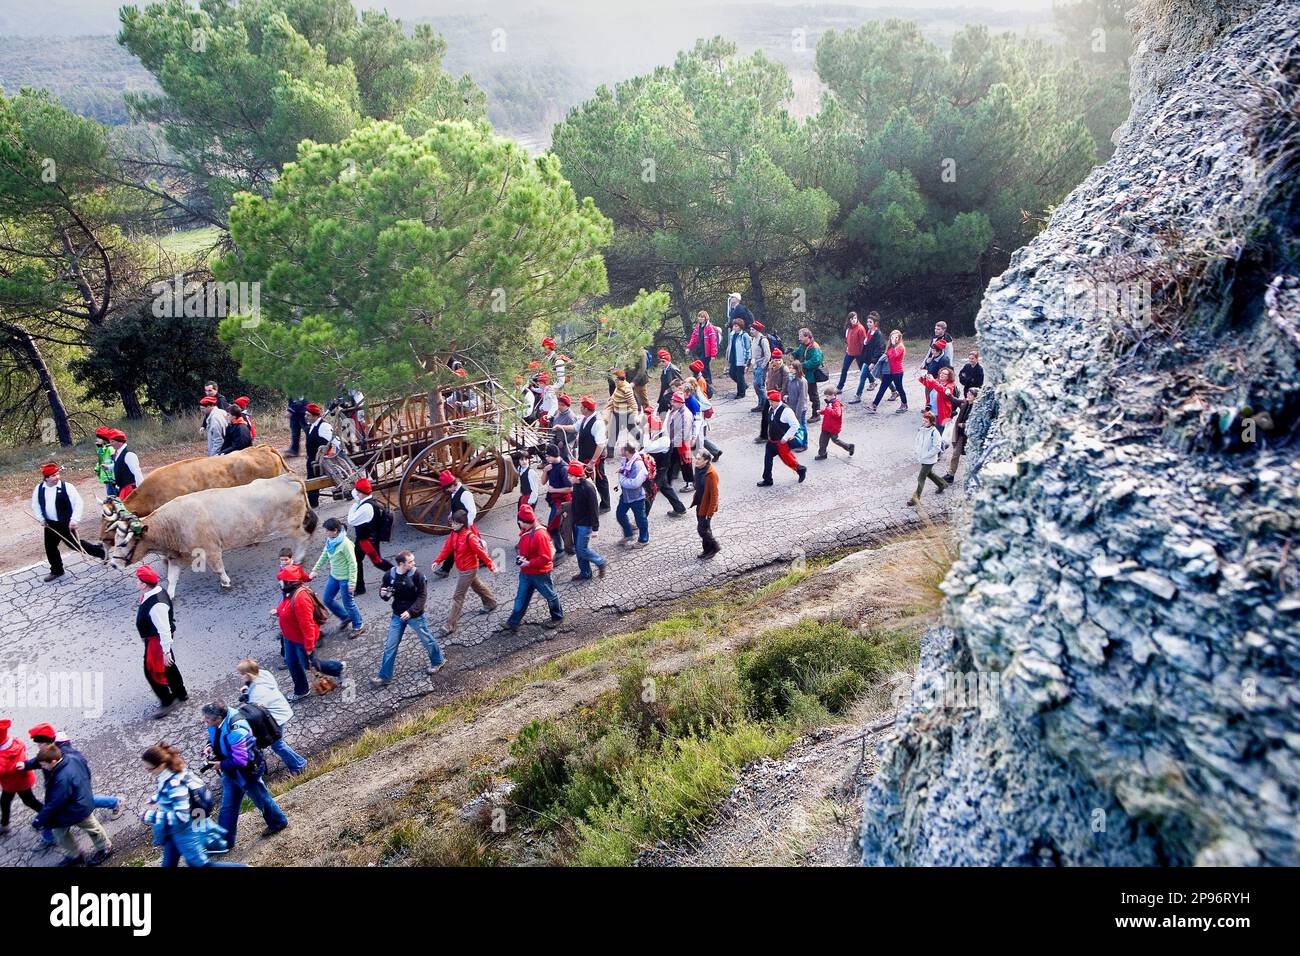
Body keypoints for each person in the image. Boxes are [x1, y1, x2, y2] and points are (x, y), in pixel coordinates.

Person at [140, 743, 243, 867]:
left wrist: (150, 816)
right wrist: (155, 798)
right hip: (177, 829)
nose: (147, 772)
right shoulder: (173, 770)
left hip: (185, 830)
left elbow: (181, 816)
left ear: (161, 764)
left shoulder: (173, 783)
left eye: (149, 769)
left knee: (198, 864)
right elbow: (174, 793)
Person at [202, 701, 287, 848]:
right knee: (229, 805)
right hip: (232, 771)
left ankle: (278, 822)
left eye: (208, 719)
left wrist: (220, 765)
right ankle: (225, 840)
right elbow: (215, 736)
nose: (204, 720)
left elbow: (241, 760)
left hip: (246, 772)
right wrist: (209, 745)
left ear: (219, 718)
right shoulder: (219, 722)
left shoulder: (237, 731)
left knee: (261, 799)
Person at [369, 551, 447, 685]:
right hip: (397, 615)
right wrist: (383, 594)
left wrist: (411, 612)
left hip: (415, 616)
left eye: (413, 561)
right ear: (401, 564)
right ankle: (384, 677)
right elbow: (386, 593)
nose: (414, 563)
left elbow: (422, 596)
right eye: (410, 562)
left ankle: (438, 661)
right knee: (390, 646)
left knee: (427, 640)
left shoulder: (418, 575)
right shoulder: (390, 575)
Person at [32, 743, 112, 866]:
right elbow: (86, 773)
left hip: (75, 808)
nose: (42, 767)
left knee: (88, 828)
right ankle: (77, 854)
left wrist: (39, 819)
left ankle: (103, 848)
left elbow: (55, 803)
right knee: (65, 832)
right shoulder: (72, 759)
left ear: (53, 761)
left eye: (43, 765)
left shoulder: (61, 778)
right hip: (79, 803)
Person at [276, 565, 345, 701]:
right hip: (289, 637)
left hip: (301, 640)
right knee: (291, 663)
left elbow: (307, 626)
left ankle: (338, 668)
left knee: (308, 664)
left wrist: (309, 647)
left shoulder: (300, 598)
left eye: (282, 580)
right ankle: (301, 690)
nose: (279, 583)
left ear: (289, 582)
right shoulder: (289, 593)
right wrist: (278, 611)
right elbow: (284, 608)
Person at [32, 462, 105, 582]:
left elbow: (78, 503)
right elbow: (36, 505)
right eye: (53, 476)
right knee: (50, 547)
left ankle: (101, 552)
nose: (57, 477)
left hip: (66, 523)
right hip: (50, 524)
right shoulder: (39, 488)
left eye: (57, 474)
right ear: (46, 478)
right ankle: (57, 570)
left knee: (76, 545)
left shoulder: (67, 487)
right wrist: (41, 519)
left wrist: (74, 519)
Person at [433, 510, 500, 635]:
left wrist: (492, 566)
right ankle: (490, 602)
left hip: (469, 569)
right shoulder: (453, 534)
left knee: (458, 597)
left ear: (461, 524)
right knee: (477, 586)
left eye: (454, 523)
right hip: (463, 568)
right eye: (451, 522)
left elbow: (482, 553)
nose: (451, 524)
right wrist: (438, 561)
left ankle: (450, 625)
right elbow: (447, 548)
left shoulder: (470, 537)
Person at [135, 564, 188, 718]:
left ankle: (167, 701)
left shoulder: (157, 605)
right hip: (156, 639)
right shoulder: (157, 591)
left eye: (138, 581)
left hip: (157, 642)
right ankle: (180, 693)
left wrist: (165, 651)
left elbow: (163, 629)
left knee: (151, 671)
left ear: (144, 585)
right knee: (169, 666)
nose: (136, 583)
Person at [236, 660, 306, 774]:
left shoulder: (257, 693)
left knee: (277, 745)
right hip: (281, 709)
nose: (240, 677)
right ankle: (298, 765)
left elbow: (255, 712)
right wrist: (247, 690)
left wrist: (247, 697)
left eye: (241, 674)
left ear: (248, 675)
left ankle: (298, 766)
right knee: (278, 744)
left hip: (276, 718)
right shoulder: (263, 674)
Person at [503, 505, 563, 632]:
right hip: (526, 572)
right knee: (521, 597)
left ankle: (557, 617)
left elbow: (545, 558)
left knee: (550, 595)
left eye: (519, 520)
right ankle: (513, 622)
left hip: (539, 574)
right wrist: (521, 558)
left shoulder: (540, 535)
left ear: (524, 522)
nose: (518, 522)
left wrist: (528, 563)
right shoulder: (528, 530)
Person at [310, 518, 364, 637]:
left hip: (345, 579)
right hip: (334, 576)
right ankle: (345, 617)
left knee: (348, 603)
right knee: (327, 599)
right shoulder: (330, 540)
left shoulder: (345, 544)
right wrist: (315, 570)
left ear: (335, 531)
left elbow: (353, 563)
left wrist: (352, 582)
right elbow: (324, 555)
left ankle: (358, 625)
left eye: (327, 531)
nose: (325, 533)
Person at [347, 477, 392, 597]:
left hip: (367, 541)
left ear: (361, 493)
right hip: (364, 539)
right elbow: (355, 494)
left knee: (378, 562)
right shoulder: (367, 500)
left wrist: (353, 506)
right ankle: (360, 587)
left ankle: (398, 573)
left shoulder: (365, 508)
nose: (355, 494)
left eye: (358, 492)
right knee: (356, 561)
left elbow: (351, 520)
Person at [433, 470, 481, 576]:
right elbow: (456, 505)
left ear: (452, 484)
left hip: (464, 524)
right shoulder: (454, 491)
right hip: (458, 524)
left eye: (448, 488)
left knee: (456, 545)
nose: (448, 491)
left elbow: (472, 511)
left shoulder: (465, 494)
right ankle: (446, 569)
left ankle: (446, 569)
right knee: (463, 544)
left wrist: (467, 525)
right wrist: (451, 513)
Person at [643, 405, 686, 517]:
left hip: (661, 468)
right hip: (658, 467)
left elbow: (647, 448)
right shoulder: (656, 432)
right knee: (665, 487)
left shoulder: (663, 439)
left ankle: (641, 518)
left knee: (651, 491)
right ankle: (679, 508)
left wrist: (646, 433)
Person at [758, 389, 806, 487]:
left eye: (772, 402)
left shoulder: (786, 411)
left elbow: (795, 425)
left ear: (777, 401)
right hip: (771, 441)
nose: (770, 403)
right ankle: (767, 479)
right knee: (767, 459)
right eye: (770, 401)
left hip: (781, 442)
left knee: (788, 460)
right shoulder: (771, 408)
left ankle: (800, 469)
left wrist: (785, 438)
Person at [0, 719, 40, 834]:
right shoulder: (14, 742)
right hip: (24, 779)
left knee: (29, 801)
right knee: (6, 801)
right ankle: (5, 824)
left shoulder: (2, 757)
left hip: (15, 784)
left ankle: (47, 815)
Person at [569, 461, 606, 580]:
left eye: (570, 476)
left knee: (582, 549)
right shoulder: (576, 485)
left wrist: (595, 528)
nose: (568, 477)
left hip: (585, 525)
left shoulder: (588, 488)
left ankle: (600, 562)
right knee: (579, 550)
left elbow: (594, 509)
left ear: (577, 477)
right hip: (577, 522)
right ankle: (585, 572)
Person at [575, 394, 610, 512]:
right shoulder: (584, 419)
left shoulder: (597, 423)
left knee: (600, 480)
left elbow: (600, 445)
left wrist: (592, 462)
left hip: (593, 458)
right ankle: (587, 503)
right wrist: (560, 427)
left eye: (581, 406)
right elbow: (574, 428)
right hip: (584, 456)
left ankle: (606, 504)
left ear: (586, 408)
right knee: (583, 480)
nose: (580, 408)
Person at [542, 442, 576, 558]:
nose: (546, 458)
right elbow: (543, 482)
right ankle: (567, 547)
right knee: (561, 527)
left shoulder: (563, 468)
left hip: (562, 503)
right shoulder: (550, 466)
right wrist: (545, 471)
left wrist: (553, 490)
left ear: (553, 455)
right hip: (554, 501)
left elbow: (570, 488)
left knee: (553, 526)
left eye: (547, 456)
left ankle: (561, 550)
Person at [615, 442, 650, 547]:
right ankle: (628, 533)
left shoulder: (637, 464)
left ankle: (644, 539)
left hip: (636, 497)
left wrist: (621, 478)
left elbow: (635, 483)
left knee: (640, 520)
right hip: (626, 495)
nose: (619, 451)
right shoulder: (627, 460)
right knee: (620, 514)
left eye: (621, 449)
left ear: (626, 451)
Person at [910, 409, 948, 505]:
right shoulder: (922, 429)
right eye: (923, 420)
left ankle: (916, 497)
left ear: (931, 422)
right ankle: (942, 484)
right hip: (922, 457)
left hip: (929, 459)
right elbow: (918, 441)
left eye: (926, 421)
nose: (924, 422)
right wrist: (918, 451)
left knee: (921, 477)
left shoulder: (934, 433)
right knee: (929, 474)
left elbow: (937, 448)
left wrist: (926, 455)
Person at [303, 402, 338, 508]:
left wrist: (339, 455)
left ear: (314, 416)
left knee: (313, 483)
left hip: (319, 461)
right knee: (311, 482)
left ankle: (313, 506)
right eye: (306, 414)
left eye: (308, 415)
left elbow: (335, 441)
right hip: (311, 459)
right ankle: (312, 504)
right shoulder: (313, 425)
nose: (306, 417)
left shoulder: (323, 427)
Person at [943, 386, 980, 484]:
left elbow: (976, 423)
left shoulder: (977, 408)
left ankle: (951, 474)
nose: (968, 395)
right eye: (968, 393)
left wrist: (964, 425)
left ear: (975, 397)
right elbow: (955, 401)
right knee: (957, 452)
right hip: (959, 432)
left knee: (956, 454)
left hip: (967, 436)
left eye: (971, 394)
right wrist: (948, 394)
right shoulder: (965, 402)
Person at [691, 450, 720, 559]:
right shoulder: (698, 468)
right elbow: (697, 482)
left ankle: (714, 547)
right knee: (705, 528)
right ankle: (707, 550)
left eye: (699, 459)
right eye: (696, 458)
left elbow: (714, 495)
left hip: (706, 506)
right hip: (700, 502)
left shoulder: (711, 474)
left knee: (702, 529)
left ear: (706, 460)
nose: (696, 460)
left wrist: (710, 513)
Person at [870, 330, 909, 413]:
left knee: (899, 388)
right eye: (892, 337)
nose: (893, 339)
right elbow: (887, 355)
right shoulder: (890, 347)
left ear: (899, 338)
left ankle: (904, 404)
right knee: (882, 388)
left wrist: (894, 345)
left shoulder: (900, 347)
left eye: (895, 337)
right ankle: (874, 405)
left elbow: (894, 356)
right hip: (888, 372)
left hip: (897, 372)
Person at [756, 348, 789, 443]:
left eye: (779, 359)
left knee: (778, 417)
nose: (777, 361)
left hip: (778, 397)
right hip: (770, 395)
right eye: (776, 359)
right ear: (772, 359)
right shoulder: (770, 366)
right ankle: (763, 435)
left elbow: (785, 385)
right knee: (765, 414)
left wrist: (780, 398)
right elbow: (768, 378)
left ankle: (783, 435)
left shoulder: (784, 369)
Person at [851, 312, 885, 403]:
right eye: (867, 322)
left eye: (870, 322)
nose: (868, 324)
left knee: (882, 377)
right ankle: (858, 396)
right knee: (863, 376)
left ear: (875, 323)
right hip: (867, 360)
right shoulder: (869, 332)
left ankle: (894, 391)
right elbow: (867, 347)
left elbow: (880, 349)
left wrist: (873, 362)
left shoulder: (878, 334)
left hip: (874, 361)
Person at [665, 390, 695, 492]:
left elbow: (684, 432)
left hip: (682, 443)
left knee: (686, 464)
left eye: (674, 401)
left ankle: (690, 483)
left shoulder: (685, 415)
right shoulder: (675, 411)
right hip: (675, 441)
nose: (672, 403)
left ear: (680, 403)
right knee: (670, 462)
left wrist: (672, 442)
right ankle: (667, 483)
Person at [794, 328, 825, 420]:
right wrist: (793, 353)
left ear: (807, 337)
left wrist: (801, 365)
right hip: (803, 374)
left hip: (811, 375)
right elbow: (799, 352)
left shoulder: (814, 347)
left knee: (813, 395)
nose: (799, 338)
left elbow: (816, 361)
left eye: (801, 336)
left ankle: (816, 414)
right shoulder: (803, 345)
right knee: (800, 394)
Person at [815, 387, 855, 460]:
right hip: (826, 426)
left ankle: (849, 447)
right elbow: (828, 411)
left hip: (833, 427)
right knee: (822, 441)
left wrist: (827, 410)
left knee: (835, 440)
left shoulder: (836, 404)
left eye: (827, 396)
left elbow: (837, 413)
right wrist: (822, 412)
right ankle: (822, 454)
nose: (826, 398)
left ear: (833, 395)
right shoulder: (830, 403)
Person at [686, 309, 720, 390]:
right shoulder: (698, 327)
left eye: (702, 317)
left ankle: (708, 385)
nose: (701, 319)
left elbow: (713, 342)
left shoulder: (709, 328)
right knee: (704, 368)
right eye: (699, 317)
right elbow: (693, 338)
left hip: (707, 352)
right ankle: (706, 384)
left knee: (704, 368)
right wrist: (689, 347)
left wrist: (713, 354)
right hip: (700, 350)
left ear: (706, 318)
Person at [606, 371, 639, 453]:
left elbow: (633, 403)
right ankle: (610, 452)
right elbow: (614, 395)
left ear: (620, 380)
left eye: (616, 380)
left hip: (626, 414)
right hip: (616, 413)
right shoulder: (618, 386)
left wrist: (635, 415)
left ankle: (643, 444)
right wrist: (610, 401)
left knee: (633, 431)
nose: (615, 382)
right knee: (613, 432)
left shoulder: (627, 388)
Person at [837, 312, 869, 392]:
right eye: (852, 319)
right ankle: (840, 387)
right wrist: (848, 347)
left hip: (859, 353)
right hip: (849, 352)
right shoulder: (848, 328)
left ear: (857, 318)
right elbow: (847, 340)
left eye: (855, 318)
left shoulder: (861, 328)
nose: (854, 320)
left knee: (863, 369)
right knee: (844, 369)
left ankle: (872, 381)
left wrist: (863, 353)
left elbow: (864, 342)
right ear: (849, 320)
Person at [108, 430, 143, 498]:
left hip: (130, 490)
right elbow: (120, 466)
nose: (111, 444)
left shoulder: (129, 455)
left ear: (120, 441)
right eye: (110, 441)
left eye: (112, 441)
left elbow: (137, 472)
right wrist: (108, 467)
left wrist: (141, 490)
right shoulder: (118, 453)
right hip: (123, 489)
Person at [725, 315, 752, 400]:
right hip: (733, 358)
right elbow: (730, 346)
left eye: (736, 326)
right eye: (734, 325)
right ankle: (744, 385)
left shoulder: (744, 335)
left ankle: (741, 393)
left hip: (741, 359)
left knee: (740, 376)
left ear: (740, 327)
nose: (734, 327)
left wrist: (746, 362)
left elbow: (747, 349)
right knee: (732, 373)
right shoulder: (732, 334)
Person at [749, 320, 772, 411]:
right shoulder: (754, 339)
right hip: (755, 366)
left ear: (757, 330)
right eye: (751, 329)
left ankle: (765, 404)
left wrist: (762, 366)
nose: (751, 331)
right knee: (756, 386)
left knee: (759, 385)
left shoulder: (763, 340)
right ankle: (760, 404)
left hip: (761, 366)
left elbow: (768, 354)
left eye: (753, 329)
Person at [550, 393, 577, 460]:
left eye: (562, 405)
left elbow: (574, 433)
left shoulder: (571, 417)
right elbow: (555, 421)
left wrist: (563, 442)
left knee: (566, 459)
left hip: (567, 442)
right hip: (556, 439)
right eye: (559, 404)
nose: (560, 406)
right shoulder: (557, 412)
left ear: (567, 406)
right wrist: (551, 419)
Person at [92, 426, 117, 498]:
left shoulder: (110, 449)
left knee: (113, 497)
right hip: (107, 479)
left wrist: (114, 477)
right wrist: (97, 469)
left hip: (112, 479)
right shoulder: (102, 449)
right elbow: (100, 460)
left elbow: (115, 462)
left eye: (99, 438)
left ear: (104, 439)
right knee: (110, 496)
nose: (97, 439)